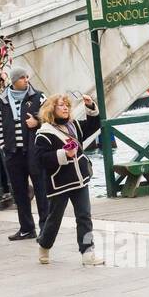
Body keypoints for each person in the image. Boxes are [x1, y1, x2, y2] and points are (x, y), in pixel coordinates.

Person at [34, 92, 104, 266]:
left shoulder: (73, 126)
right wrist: (63, 154)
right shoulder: (44, 133)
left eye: (67, 105)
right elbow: (41, 159)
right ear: (52, 109)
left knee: (84, 216)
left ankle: (88, 253)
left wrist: (90, 107)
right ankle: (44, 244)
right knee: (54, 219)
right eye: (61, 105)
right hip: (60, 184)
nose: (65, 108)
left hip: (79, 179)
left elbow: (93, 126)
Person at [0, 66, 48, 240]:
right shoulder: (2, 100)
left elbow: (51, 117)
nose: (26, 80)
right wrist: (4, 147)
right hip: (13, 153)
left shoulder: (38, 96)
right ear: (14, 80)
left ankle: (45, 228)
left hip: (35, 151)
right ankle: (26, 228)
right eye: (22, 78)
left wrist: (38, 121)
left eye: (27, 77)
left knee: (41, 190)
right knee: (19, 192)